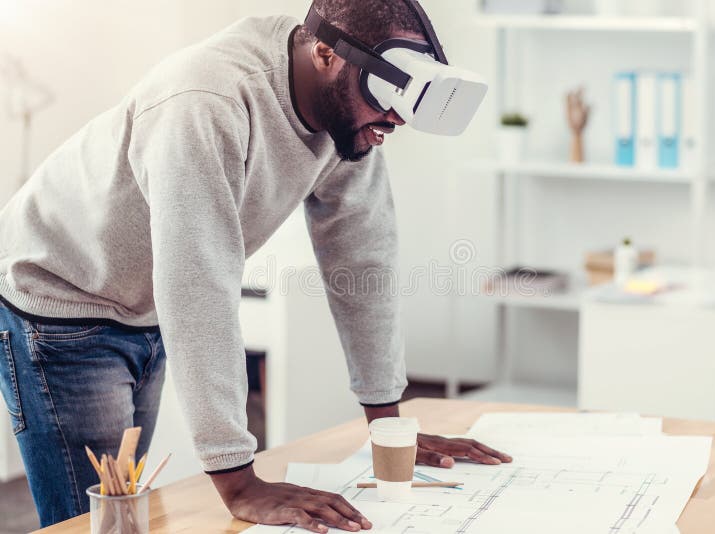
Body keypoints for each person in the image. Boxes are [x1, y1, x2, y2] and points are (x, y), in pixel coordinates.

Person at [0, 0, 511, 531]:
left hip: (138, 303)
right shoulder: (207, 101)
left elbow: (364, 261)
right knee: (96, 520)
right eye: (382, 96)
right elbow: (198, 280)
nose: (395, 118)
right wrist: (239, 482)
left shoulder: (346, 118)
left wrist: (388, 428)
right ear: (325, 53)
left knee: (122, 507)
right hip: (62, 302)